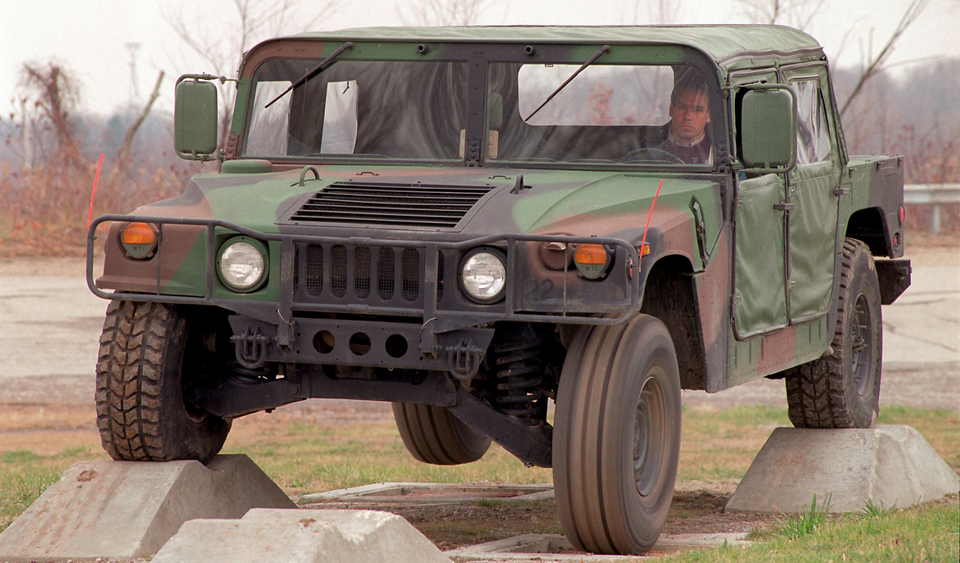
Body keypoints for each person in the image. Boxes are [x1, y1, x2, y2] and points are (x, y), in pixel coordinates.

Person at [653, 70, 713, 164]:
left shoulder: (720, 161)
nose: (688, 116)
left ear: (708, 115)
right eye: (682, 107)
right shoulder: (647, 156)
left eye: (697, 110)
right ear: (671, 109)